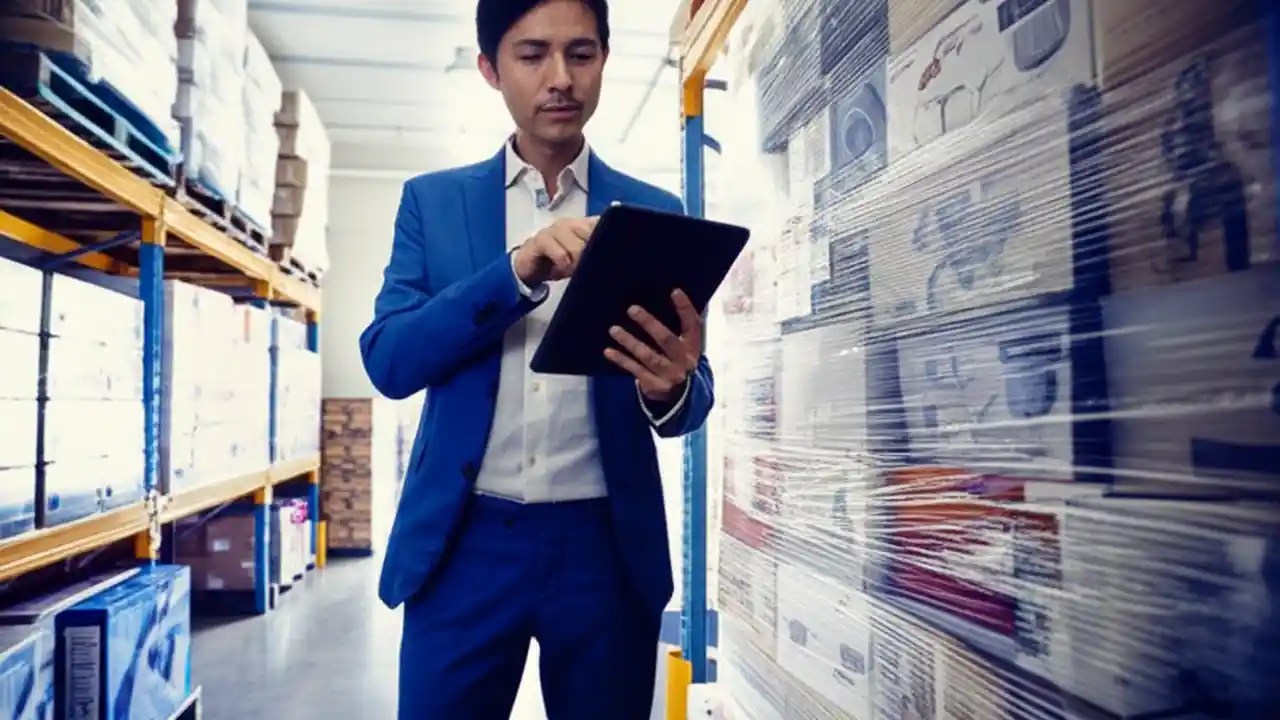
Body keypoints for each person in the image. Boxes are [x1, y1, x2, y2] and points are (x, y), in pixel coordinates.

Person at [359, 0, 715, 717]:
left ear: (604, 62)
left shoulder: (656, 212)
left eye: (581, 54)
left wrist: (670, 386)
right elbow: (390, 362)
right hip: (462, 546)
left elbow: (693, 397)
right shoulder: (432, 204)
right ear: (491, 69)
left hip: (605, 552)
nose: (561, 78)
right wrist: (514, 272)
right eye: (533, 55)